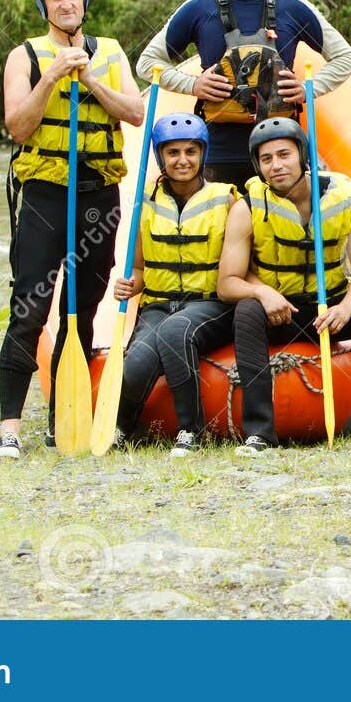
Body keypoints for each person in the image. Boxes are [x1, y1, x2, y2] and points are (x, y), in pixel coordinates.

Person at [0, 0, 144, 459]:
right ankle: (10, 428)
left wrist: (93, 82)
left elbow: (136, 112)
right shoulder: (25, 56)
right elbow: (17, 126)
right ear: (44, 5)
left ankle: (62, 421)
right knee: (29, 311)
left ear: (85, 1)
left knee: (80, 313)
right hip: (44, 197)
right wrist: (54, 76)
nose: (66, 3)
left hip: (98, 198)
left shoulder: (112, 52)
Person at [217, 117, 351, 450]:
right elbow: (227, 283)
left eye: (284, 155)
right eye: (266, 159)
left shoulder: (343, 197)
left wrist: (345, 308)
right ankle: (260, 431)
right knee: (247, 310)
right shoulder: (246, 208)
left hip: (330, 311)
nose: (276, 165)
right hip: (282, 316)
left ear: (302, 156)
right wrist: (263, 293)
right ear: (258, 166)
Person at [137, 0, 351, 186]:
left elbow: (345, 58)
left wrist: (307, 90)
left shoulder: (294, 7)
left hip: (280, 152)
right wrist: (193, 85)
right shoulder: (198, 9)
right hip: (218, 153)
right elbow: (147, 62)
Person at [110, 113, 239, 456]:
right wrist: (128, 285)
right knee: (135, 365)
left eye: (190, 152)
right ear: (160, 158)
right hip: (158, 304)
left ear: (202, 154)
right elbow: (138, 268)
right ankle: (122, 426)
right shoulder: (145, 203)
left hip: (211, 304)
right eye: (173, 153)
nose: (183, 160)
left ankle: (190, 430)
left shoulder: (226, 200)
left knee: (176, 331)